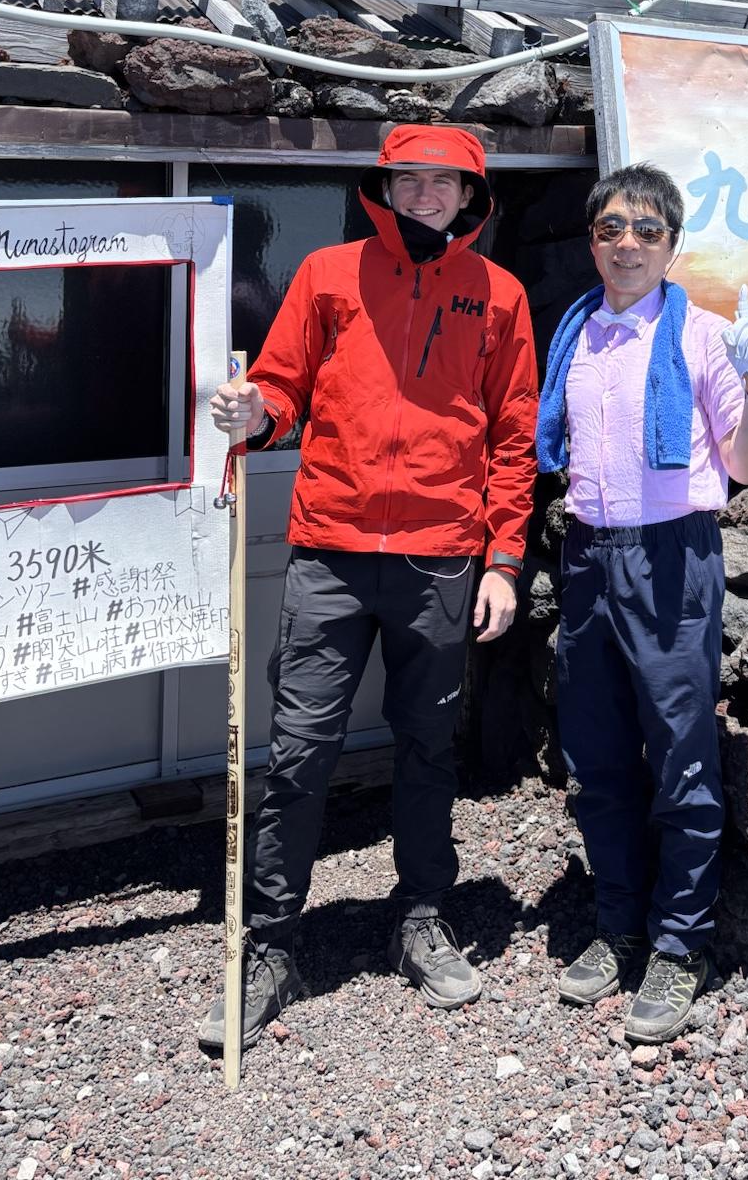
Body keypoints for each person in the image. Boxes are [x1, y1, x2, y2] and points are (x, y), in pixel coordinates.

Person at [199, 126, 538, 1050]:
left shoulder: (498, 296)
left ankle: (422, 917)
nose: (427, 195)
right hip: (331, 549)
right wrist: (252, 411)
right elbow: (281, 389)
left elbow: (513, 439)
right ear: (381, 186)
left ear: (471, 197)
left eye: (446, 183)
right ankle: (269, 943)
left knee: (429, 747)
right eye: (410, 179)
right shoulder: (327, 274)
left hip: (441, 556)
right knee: (301, 748)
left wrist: (504, 560)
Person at [537, 163, 748, 1043]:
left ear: (672, 245)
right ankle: (617, 925)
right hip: (590, 553)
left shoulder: (703, 337)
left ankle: (680, 944)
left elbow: (745, 466)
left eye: (646, 230)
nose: (627, 244)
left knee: (680, 754)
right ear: (592, 241)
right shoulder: (576, 335)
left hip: (673, 556)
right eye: (610, 229)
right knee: (595, 754)